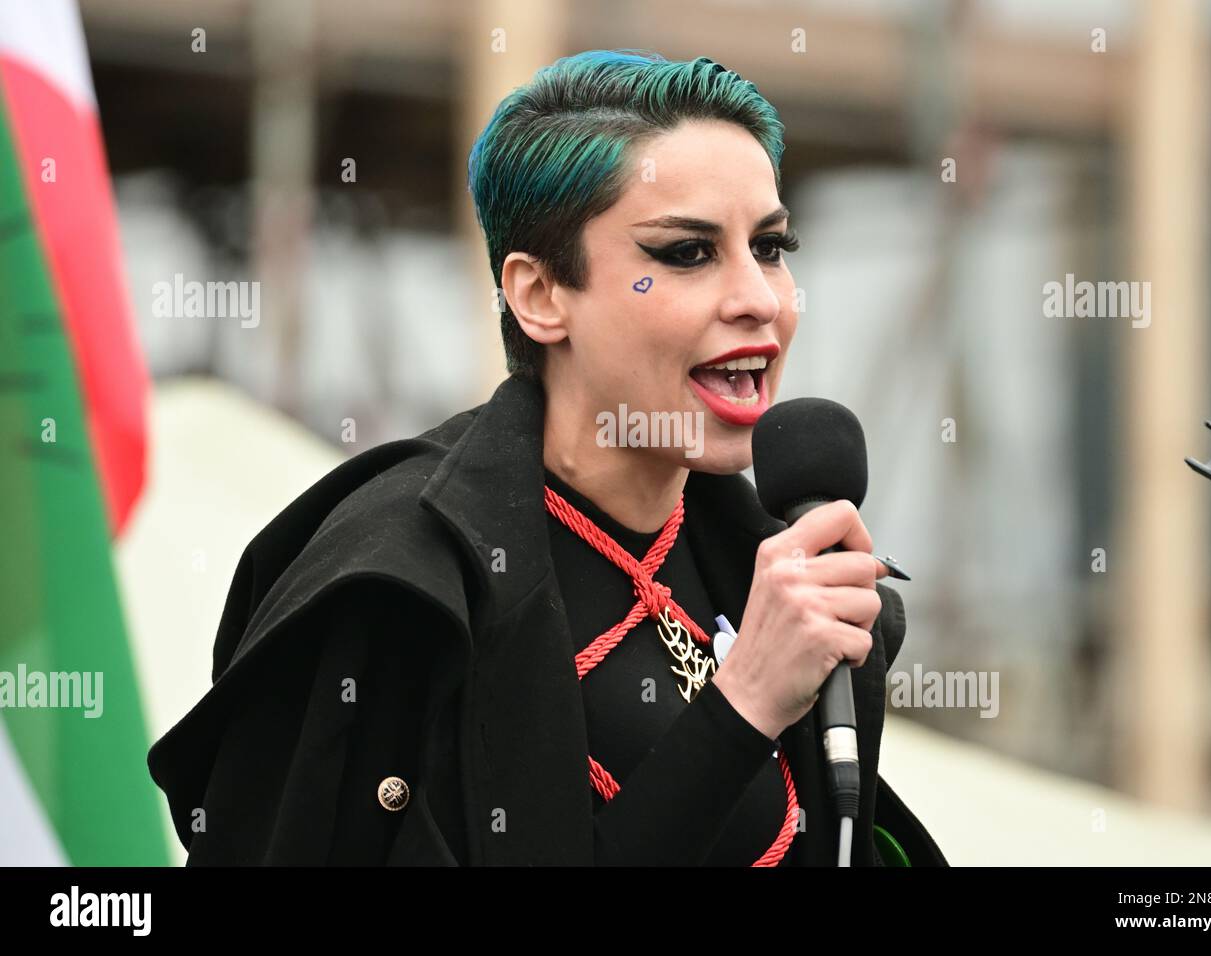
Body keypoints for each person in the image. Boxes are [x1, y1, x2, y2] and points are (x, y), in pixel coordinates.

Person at [147, 49, 948, 867]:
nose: (760, 299)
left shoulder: (768, 572)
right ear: (538, 295)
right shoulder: (395, 585)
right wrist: (740, 706)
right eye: (686, 253)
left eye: (772, 247)